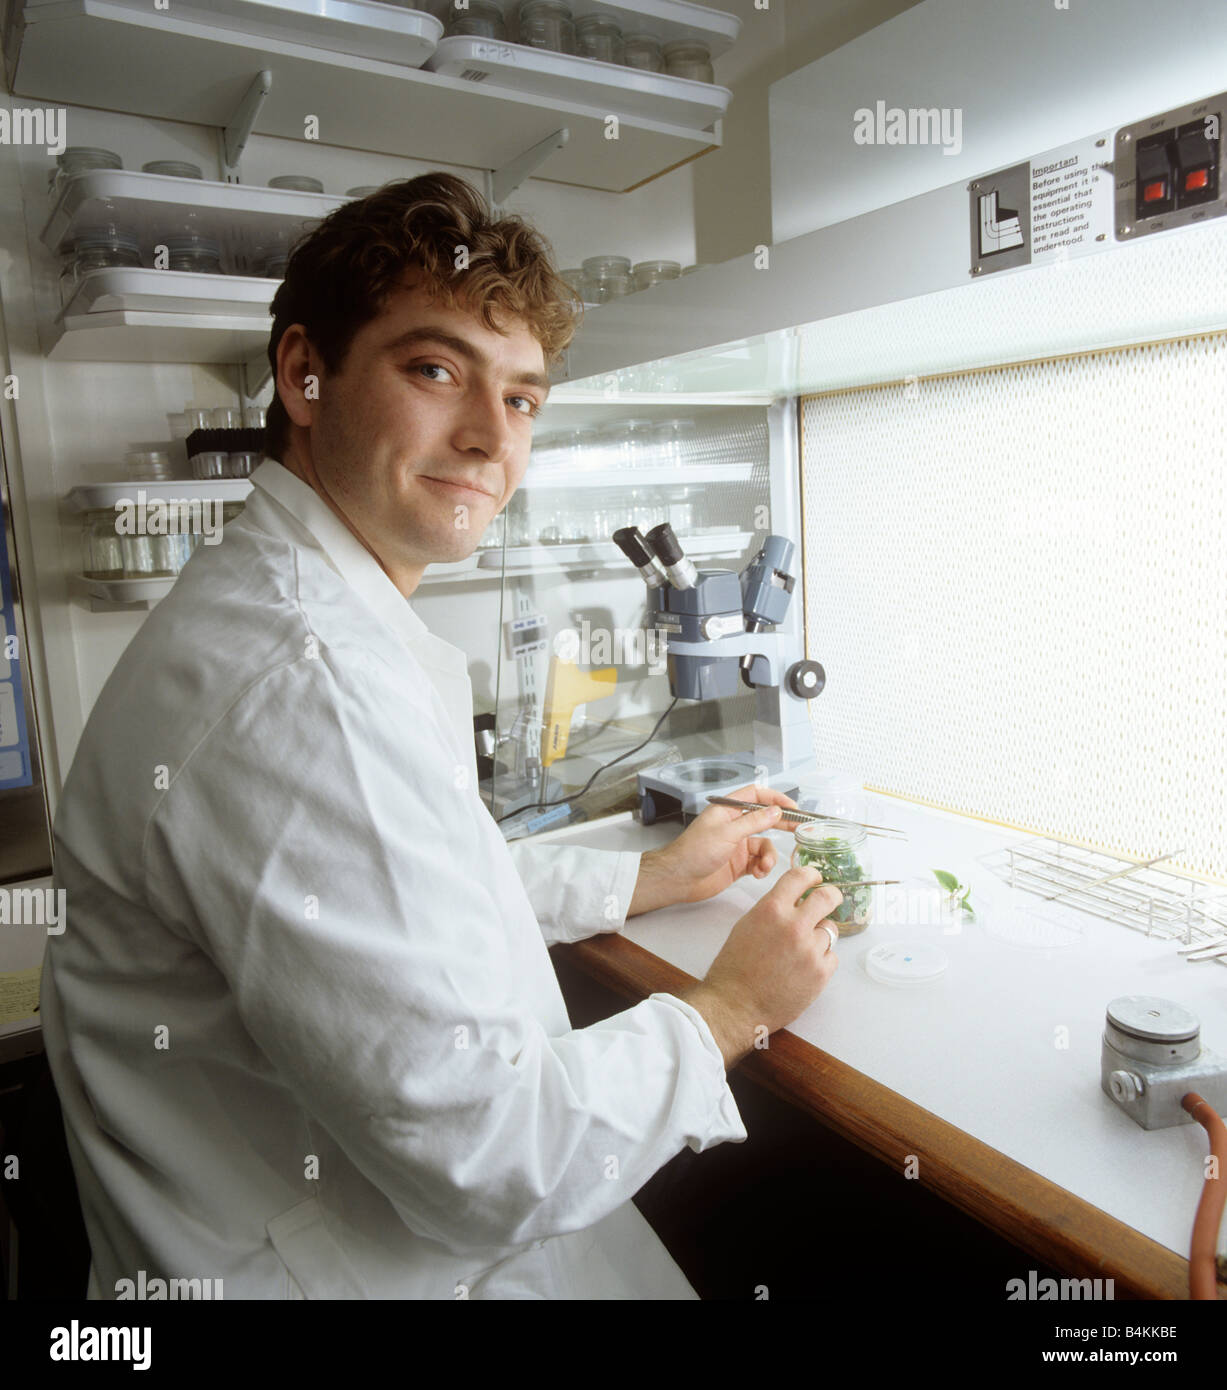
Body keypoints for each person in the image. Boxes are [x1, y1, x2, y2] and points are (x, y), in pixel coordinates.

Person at [41, 173, 843, 1300]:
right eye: (435, 370)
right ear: (304, 375)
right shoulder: (301, 680)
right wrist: (730, 1008)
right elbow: (486, 1159)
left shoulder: (299, 609)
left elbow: (409, 892)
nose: (486, 437)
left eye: (521, 398)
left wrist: (643, 882)